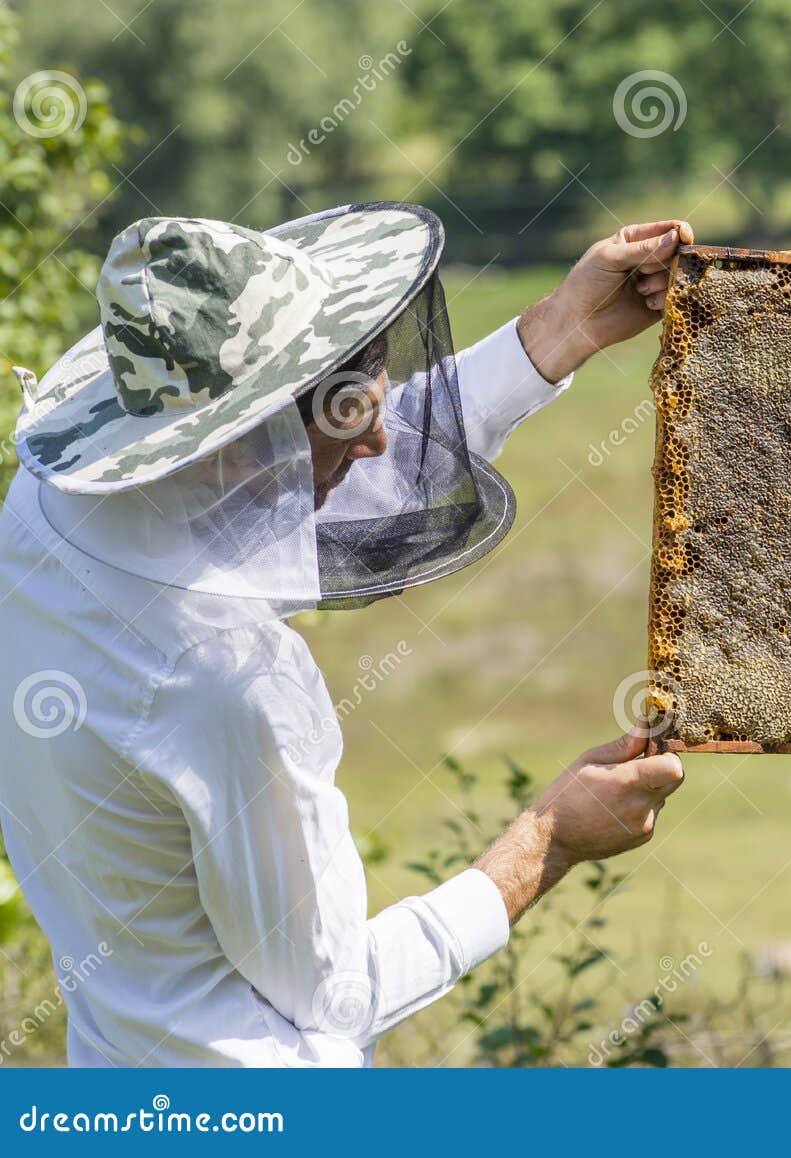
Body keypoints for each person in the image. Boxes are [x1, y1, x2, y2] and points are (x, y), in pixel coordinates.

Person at [0, 203, 693, 1065]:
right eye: (348, 417)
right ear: (245, 452)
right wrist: (547, 839)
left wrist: (563, 327)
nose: (380, 437)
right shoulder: (226, 677)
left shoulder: (48, 510)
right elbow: (340, 993)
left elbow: (302, 474)